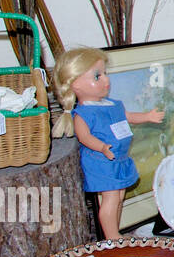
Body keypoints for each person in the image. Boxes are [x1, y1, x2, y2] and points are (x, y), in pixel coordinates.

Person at [51, 47, 164, 240]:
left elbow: (127, 117)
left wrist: (147, 116)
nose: (105, 80)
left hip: (118, 159)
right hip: (101, 162)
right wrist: (101, 147)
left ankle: (115, 232)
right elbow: (84, 137)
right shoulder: (83, 113)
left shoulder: (111, 104)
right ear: (75, 84)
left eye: (105, 73)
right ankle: (112, 237)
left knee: (119, 196)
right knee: (110, 198)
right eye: (97, 76)